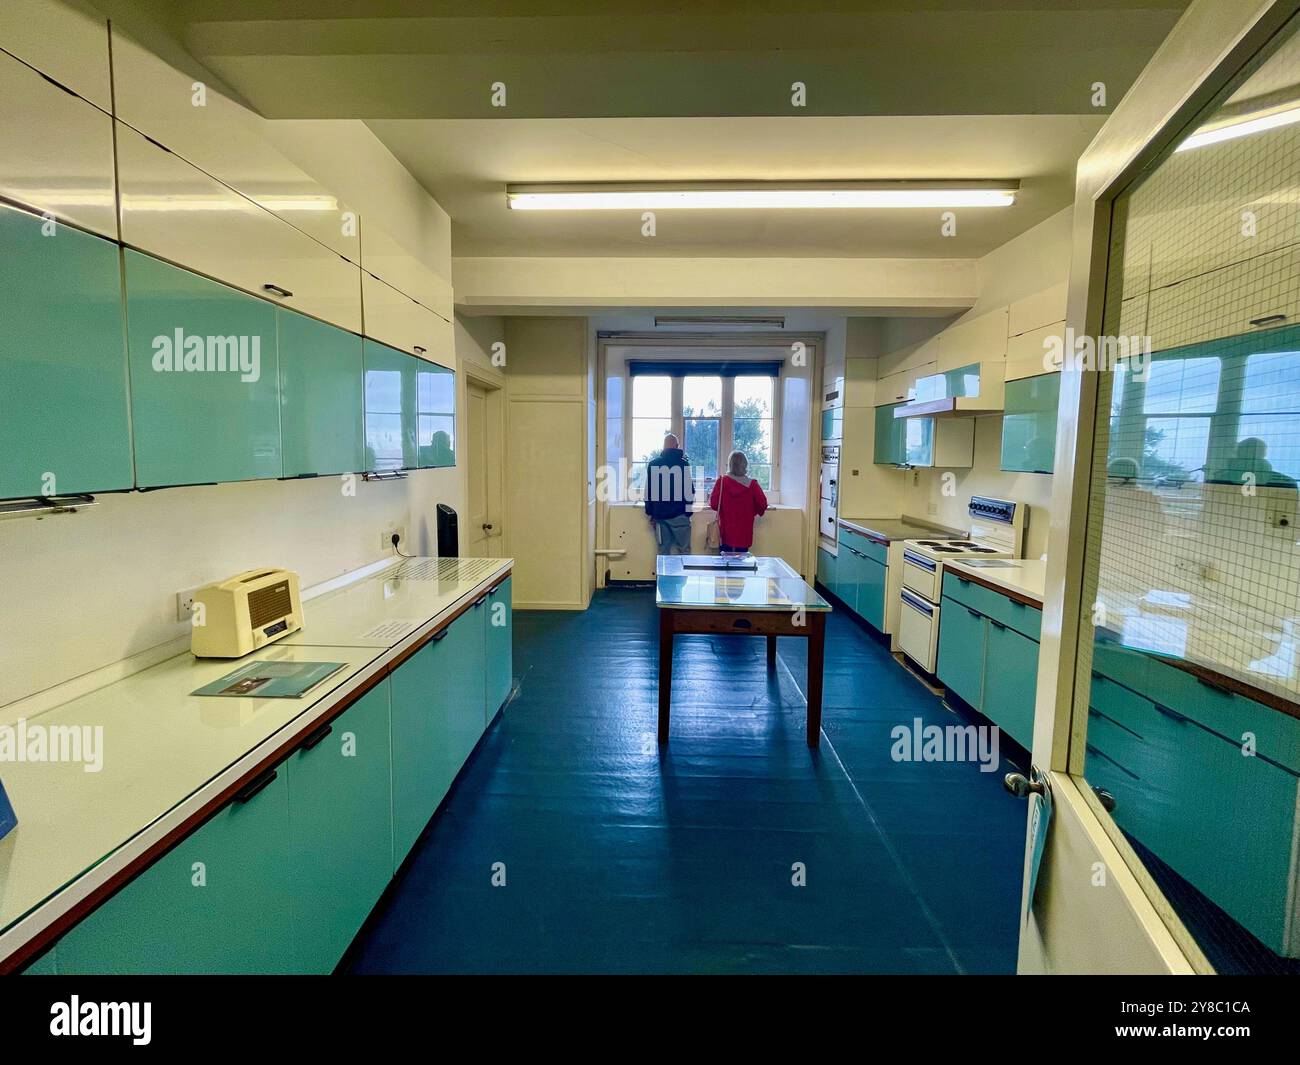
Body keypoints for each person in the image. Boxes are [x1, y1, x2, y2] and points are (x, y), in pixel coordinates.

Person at [709, 450, 768, 553]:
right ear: (745, 465)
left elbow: (714, 504)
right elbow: (762, 505)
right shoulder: (752, 484)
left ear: (730, 465)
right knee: (742, 565)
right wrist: (752, 510)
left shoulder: (722, 482)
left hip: (726, 533)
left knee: (725, 565)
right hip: (744, 534)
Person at [645, 433, 693, 555]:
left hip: (660, 517)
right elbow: (690, 491)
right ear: (677, 446)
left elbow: (648, 492)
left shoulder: (653, 464)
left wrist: (651, 513)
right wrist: (688, 512)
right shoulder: (683, 465)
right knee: (684, 551)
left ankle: (663, 575)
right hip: (680, 516)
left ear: (664, 447)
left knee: (663, 552)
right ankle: (684, 575)